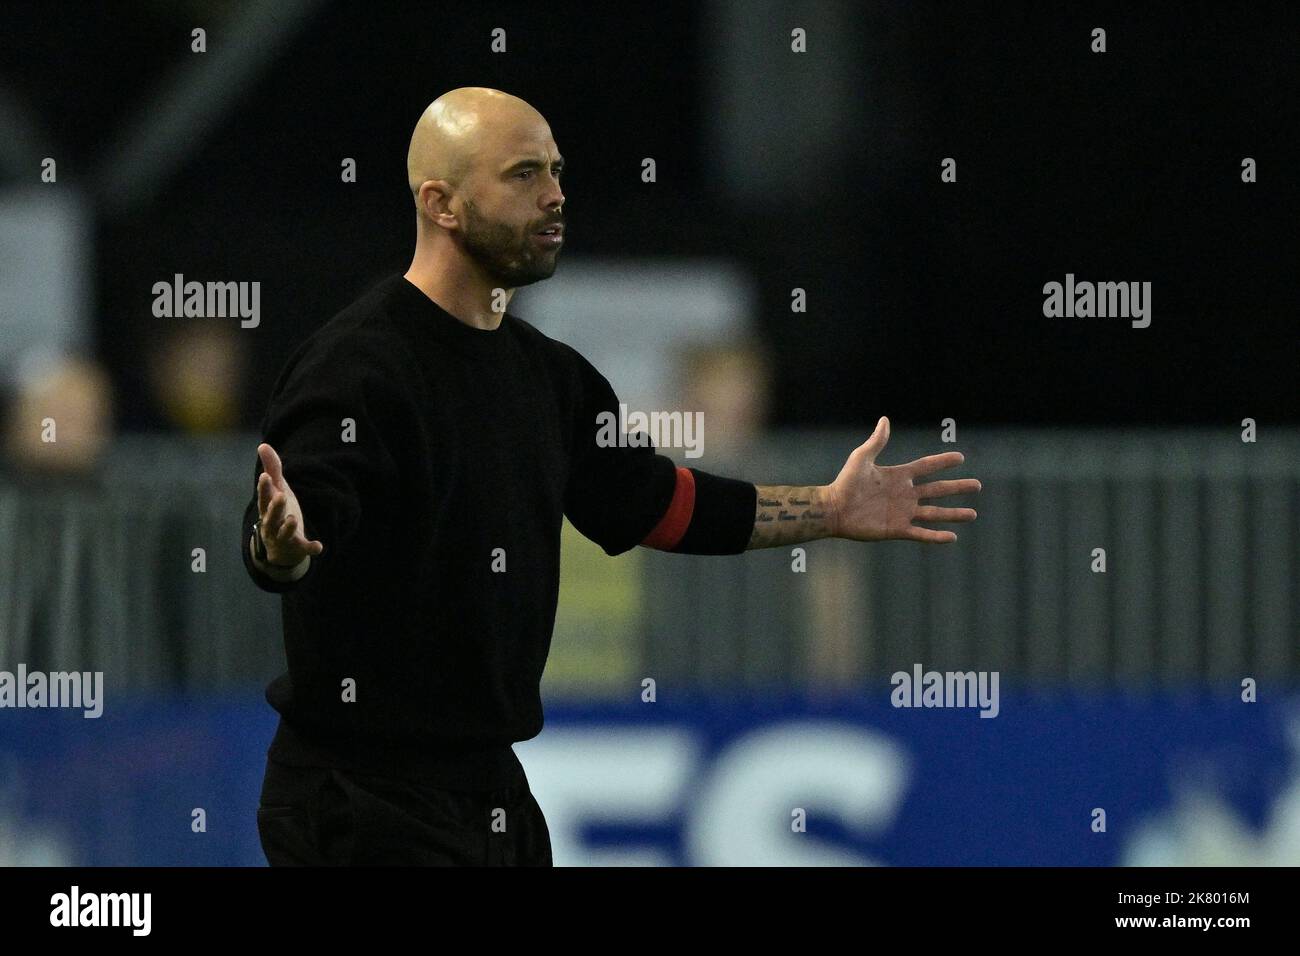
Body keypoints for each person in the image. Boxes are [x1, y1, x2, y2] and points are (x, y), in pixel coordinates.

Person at [243, 87, 981, 866]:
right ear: (441, 203)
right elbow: (295, 526)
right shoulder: (358, 366)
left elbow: (659, 506)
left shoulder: (550, 380)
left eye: (557, 171)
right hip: (362, 798)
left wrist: (827, 509)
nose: (556, 194)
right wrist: (280, 549)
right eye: (524, 174)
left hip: (491, 793)